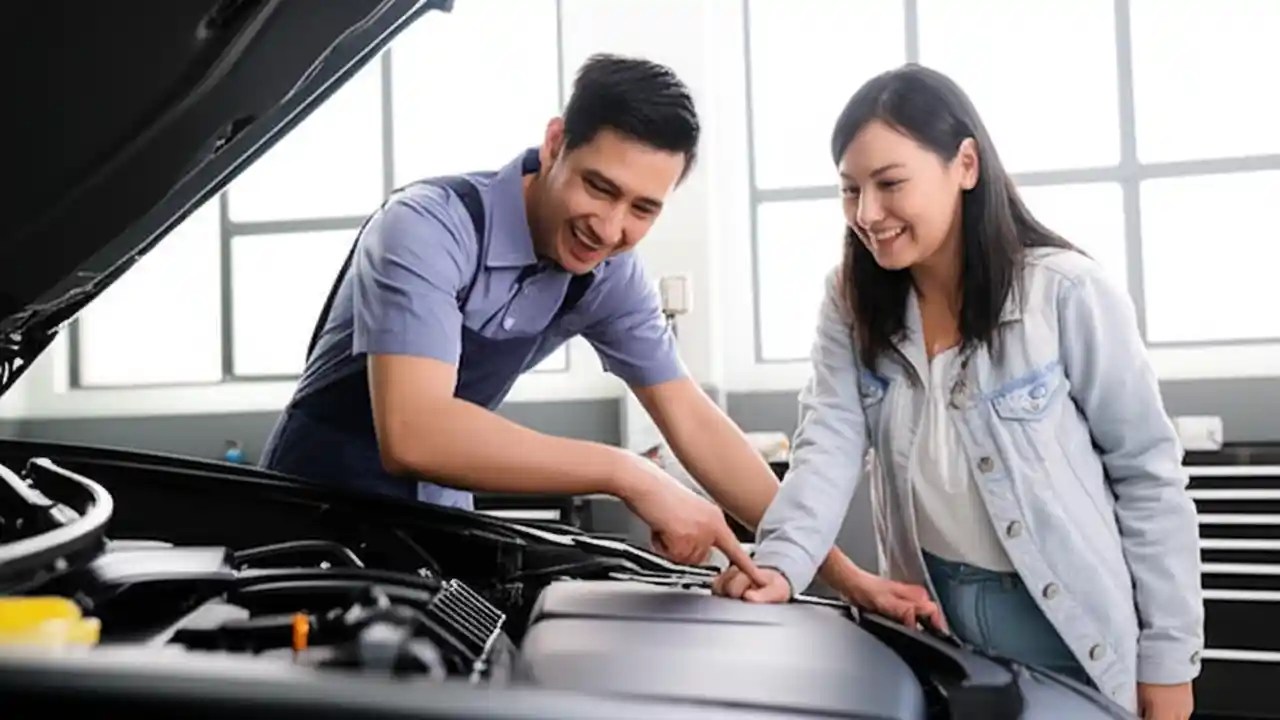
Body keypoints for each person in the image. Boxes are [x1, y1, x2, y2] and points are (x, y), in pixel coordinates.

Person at [258, 53, 940, 622]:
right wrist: (627, 473)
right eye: (599, 188)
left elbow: (693, 420)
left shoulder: (609, 276)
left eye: (643, 208)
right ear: (555, 143)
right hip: (307, 517)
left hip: (437, 521)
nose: (611, 229)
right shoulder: (425, 227)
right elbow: (414, 432)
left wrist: (844, 577)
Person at [711, 64, 1203, 720]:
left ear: (965, 165)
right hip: (934, 625)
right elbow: (826, 444)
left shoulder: (1064, 292)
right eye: (851, 190)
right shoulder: (850, 301)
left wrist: (1168, 659)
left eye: (890, 184)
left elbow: (1147, 474)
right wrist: (779, 564)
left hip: (1068, 626)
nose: (867, 214)